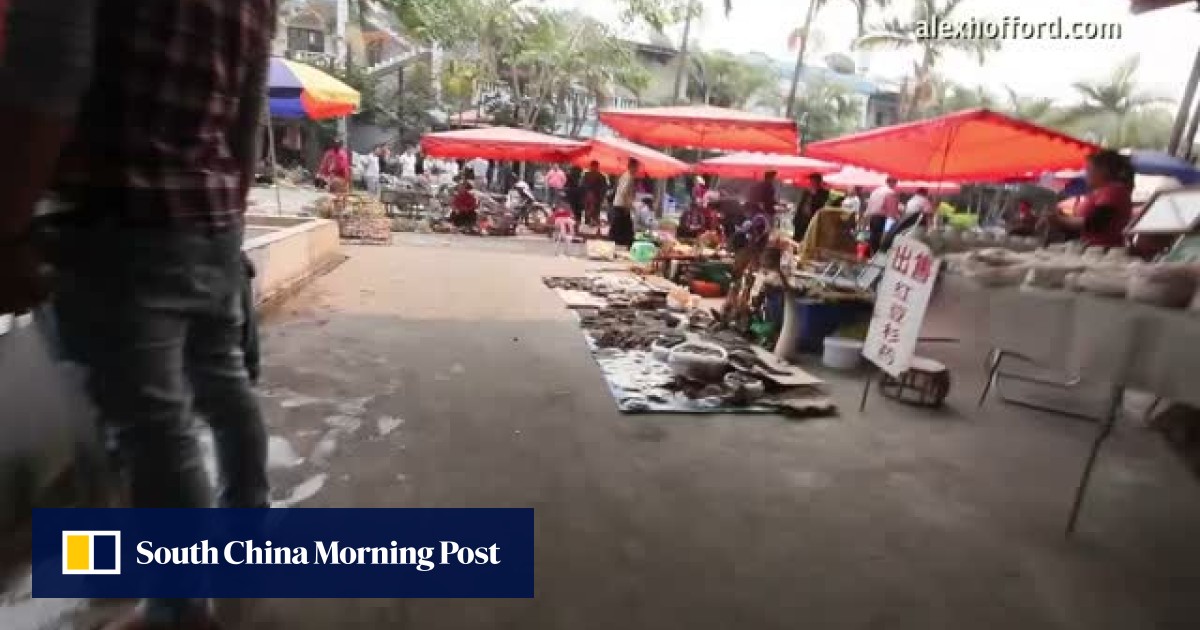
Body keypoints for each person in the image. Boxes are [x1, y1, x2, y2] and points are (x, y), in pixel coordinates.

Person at [1, 2, 275, 628]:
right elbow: (245, 116)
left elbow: (49, 69)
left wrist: (8, 225)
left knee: (152, 428)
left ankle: (179, 606)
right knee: (222, 385)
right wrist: (226, 216)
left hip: (116, 213)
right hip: (208, 217)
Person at [1054, 149, 1134, 248]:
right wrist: (1060, 218)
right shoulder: (1104, 191)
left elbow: (1096, 223)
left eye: (1088, 170)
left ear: (1103, 171)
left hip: (1104, 250)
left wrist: (1060, 220)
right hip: (1094, 248)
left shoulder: (1113, 191)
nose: (1086, 175)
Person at [863, 177, 900, 254]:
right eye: (895, 182)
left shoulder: (876, 191)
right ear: (893, 182)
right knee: (880, 239)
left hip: (872, 217)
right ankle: (877, 256)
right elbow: (892, 211)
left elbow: (869, 206)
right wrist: (898, 219)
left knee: (872, 238)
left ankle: (872, 254)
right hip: (881, 218)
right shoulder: (890, 193)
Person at [610, 158, 640, 248]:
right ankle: (619, 244)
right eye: (635, 167)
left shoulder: (627, 176)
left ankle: (621, 244)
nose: (636, 170)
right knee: (623, 228)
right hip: (622, 205)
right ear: (631, 166)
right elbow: (624, 192)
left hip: (621, 205)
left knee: (622, 227)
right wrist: (628, 206)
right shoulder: (629, 177)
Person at [794, 173, 830, 242]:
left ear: (819, 182)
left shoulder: (824, 193)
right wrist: (796, 217)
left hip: (812, 220)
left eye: (813, 181)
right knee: (796, 238)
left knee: (808, 239)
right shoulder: (806, 192)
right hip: (801, 219)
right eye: (811, 181)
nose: (811, 183)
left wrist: (814, 194)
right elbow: (801, 205)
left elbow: (821, 204)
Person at [582, 160, 609, 226]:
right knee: (589, 209)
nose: (594, 168)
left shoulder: (601, 176)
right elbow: (583, 185)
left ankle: (593, 221)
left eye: (595, 166)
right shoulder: (586, 175)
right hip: (589, 195)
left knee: (594, 210)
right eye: (593, 166)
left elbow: (604, 187)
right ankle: (589, 221)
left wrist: (602, 196)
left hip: (596, 196)